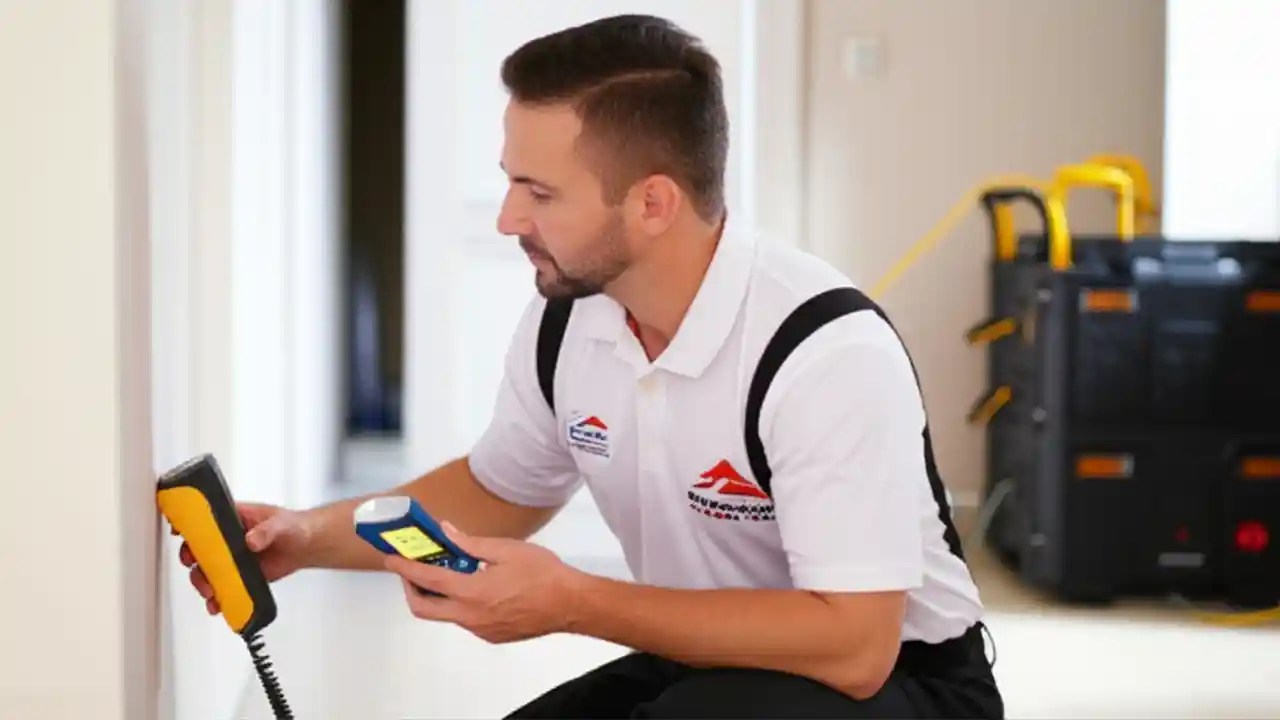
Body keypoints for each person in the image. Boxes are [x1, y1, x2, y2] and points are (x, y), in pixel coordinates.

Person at [180, 14, 1003, 719]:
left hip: (905, 686)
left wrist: (573, 602)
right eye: (510, 184)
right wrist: (302, 535)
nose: (508, 219)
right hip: (709, 660)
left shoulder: (823, 355)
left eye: (539, 193)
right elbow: (501, 490)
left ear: (652, 203)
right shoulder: (570, 319)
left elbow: (855, 646)